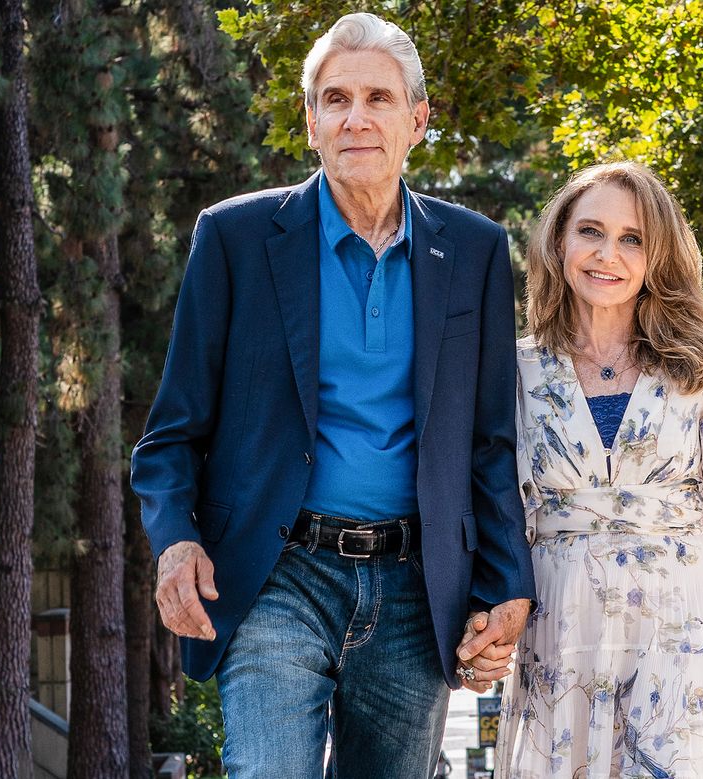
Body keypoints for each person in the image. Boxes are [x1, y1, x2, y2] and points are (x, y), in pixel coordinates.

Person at [130, 13, 534, 777]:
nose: (357, 117)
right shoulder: (235, 239)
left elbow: (488, 441)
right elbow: (170, 432)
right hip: (277, 572)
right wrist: (174, 540)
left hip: (418, 588)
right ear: (309, 121)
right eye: (336, 98)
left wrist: (508, 584)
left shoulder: (474, 250)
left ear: (417, 120)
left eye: (379, 98)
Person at [486, 162, 703, 777]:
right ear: (559, 242)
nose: (609, 254)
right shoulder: (512, 371)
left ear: (658, 256)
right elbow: (490, 514)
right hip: (559, 636)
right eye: (591, 232)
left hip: (682, 638)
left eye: (633, 238)